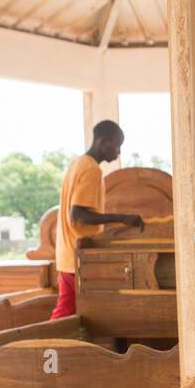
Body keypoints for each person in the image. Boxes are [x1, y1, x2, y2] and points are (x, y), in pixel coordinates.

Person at [50, 121, 143, 320]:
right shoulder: (91, 169)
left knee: (73, 313)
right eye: (117, 146)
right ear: (103, 143)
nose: (118, 153)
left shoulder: (78, 163)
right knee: (65, 314)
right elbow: (78, 214)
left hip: (70, 254)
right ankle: (41, 350)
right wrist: (122, 218)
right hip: (77, 256)